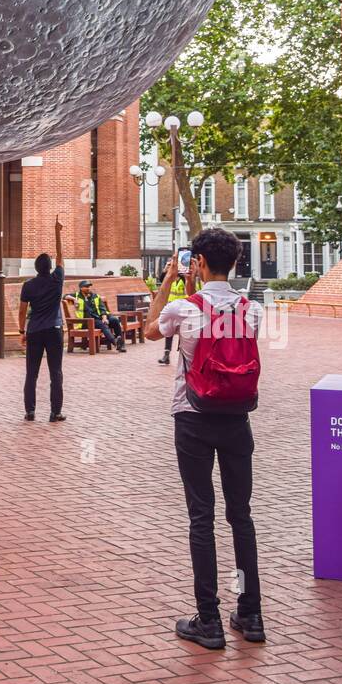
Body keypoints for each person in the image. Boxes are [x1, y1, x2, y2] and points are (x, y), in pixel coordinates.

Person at [145, 228, 265, 650]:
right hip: (237, 419)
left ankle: (209, 621)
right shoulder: (252, 310)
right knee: (241, 517)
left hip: (193, 416)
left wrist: (168, 281)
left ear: (196, 262)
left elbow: (149, 331)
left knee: (202, 516)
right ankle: (251, 614)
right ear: (233, 262)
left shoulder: (183, 308)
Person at [18, 217, 66, 422]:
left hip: (35, 331)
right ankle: (55, 413)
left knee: (32, 373)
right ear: (49, 267)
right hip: (54, 329)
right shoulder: (57, 280)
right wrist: (57, 232)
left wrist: (22, 331)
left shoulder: (28, 286)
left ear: (36, 268)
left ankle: (30, 411)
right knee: (56, 373)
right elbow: (61, 258)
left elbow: (22, 311)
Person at [74, 280, 126, 353]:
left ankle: (121, 344)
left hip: (100, 317)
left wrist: (104, 318)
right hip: (87, 321)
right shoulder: (77, 296)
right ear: (81, 288)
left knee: (115, 320)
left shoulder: (95, 296)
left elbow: (102, 308)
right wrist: (73, 299)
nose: (88, 288)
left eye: (89, 286)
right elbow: (64, 296)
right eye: (86, 287)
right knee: (103, 325)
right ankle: (115, 342)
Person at [156, 267, 187, 364]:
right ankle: (166, 355)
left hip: (184, 310)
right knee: (168, 333)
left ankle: (183, 355)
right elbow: (161, 279)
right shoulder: (170, 279)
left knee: (184, 334)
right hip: (171, 309)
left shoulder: (184, 279)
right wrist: (165, 268)